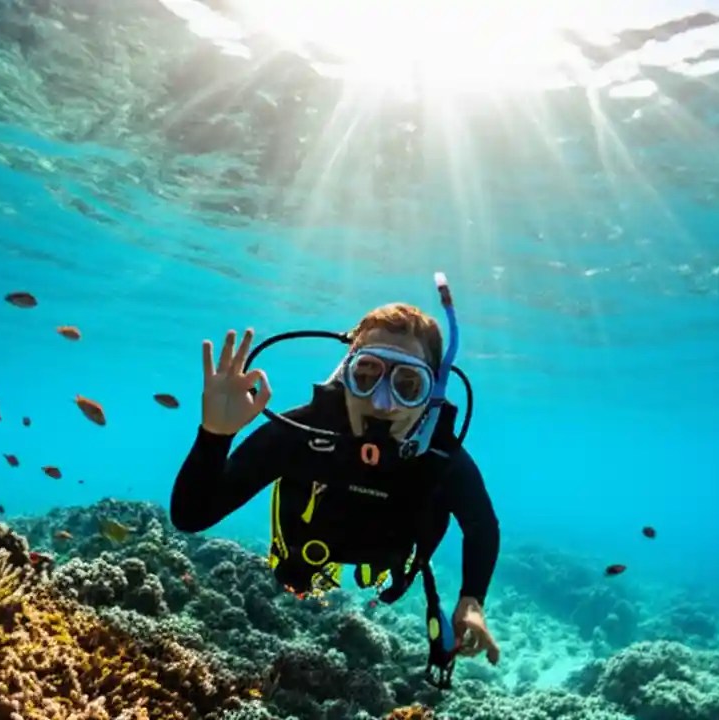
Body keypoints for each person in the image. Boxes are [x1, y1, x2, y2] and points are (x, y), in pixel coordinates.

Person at [170, 273, 500, 689]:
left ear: (432, 391)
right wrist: (214, 436)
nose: (382, 402)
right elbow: (191, 515)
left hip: (389, 565)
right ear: (345, 374)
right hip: (299, 564)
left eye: (408, 385)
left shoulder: (440, 456)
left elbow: (482, 527)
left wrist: (472, 598)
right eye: (367, 375)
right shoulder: (302, 432)